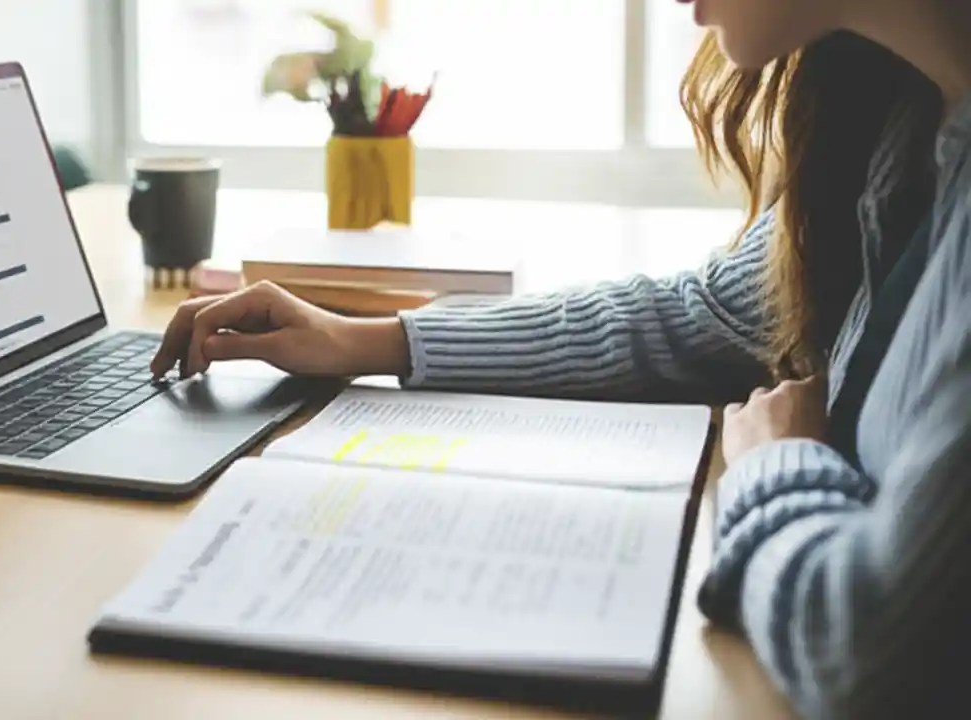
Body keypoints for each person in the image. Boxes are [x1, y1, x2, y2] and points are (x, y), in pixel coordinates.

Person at [151, 0, 971, 716]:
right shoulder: (904, 110)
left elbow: (874, 660)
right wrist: (372, 340)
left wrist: (778, 465)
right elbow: (699, 316)